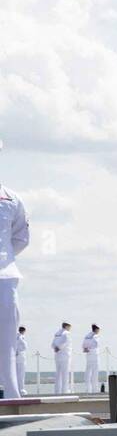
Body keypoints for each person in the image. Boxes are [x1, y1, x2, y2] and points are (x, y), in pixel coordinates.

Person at [0, 153, 29, 401]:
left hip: (5, 277)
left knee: (8, 345)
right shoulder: (11, 197)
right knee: (6, 345)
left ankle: (11, 398)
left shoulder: (12, 198)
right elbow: (20, 240)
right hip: (5, 274)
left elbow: (21, 238)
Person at [52, 323, 71, 394]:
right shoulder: (67, 333)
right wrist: (59, 348)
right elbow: (65, 342)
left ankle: (57, 391)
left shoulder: (57, 333)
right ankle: (65, 391)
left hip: (57, 355)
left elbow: (52, 344)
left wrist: (56, 348)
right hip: (65, 355)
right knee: (65, 374)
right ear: (67, 326)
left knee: (58, 374)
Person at [82, 325, 100, 394]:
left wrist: (86, 348)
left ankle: (87, 389)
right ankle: (95, 389)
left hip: (88, 355)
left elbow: (83, 345)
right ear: (96, 329)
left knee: (88, 372)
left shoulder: (87, 336)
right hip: (94, 355)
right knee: (95, 373)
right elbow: (96, 344)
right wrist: (90, 348)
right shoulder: (96, 336)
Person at [14, 326, 25, 396]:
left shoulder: (15, 337)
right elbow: (24, 346)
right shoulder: (21, 337)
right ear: (23, 331)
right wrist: (18, 351)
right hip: (21, 358)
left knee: (16, 374)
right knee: (21, 375)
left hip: (16, 358)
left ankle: (17, 389)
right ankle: (21, 390)